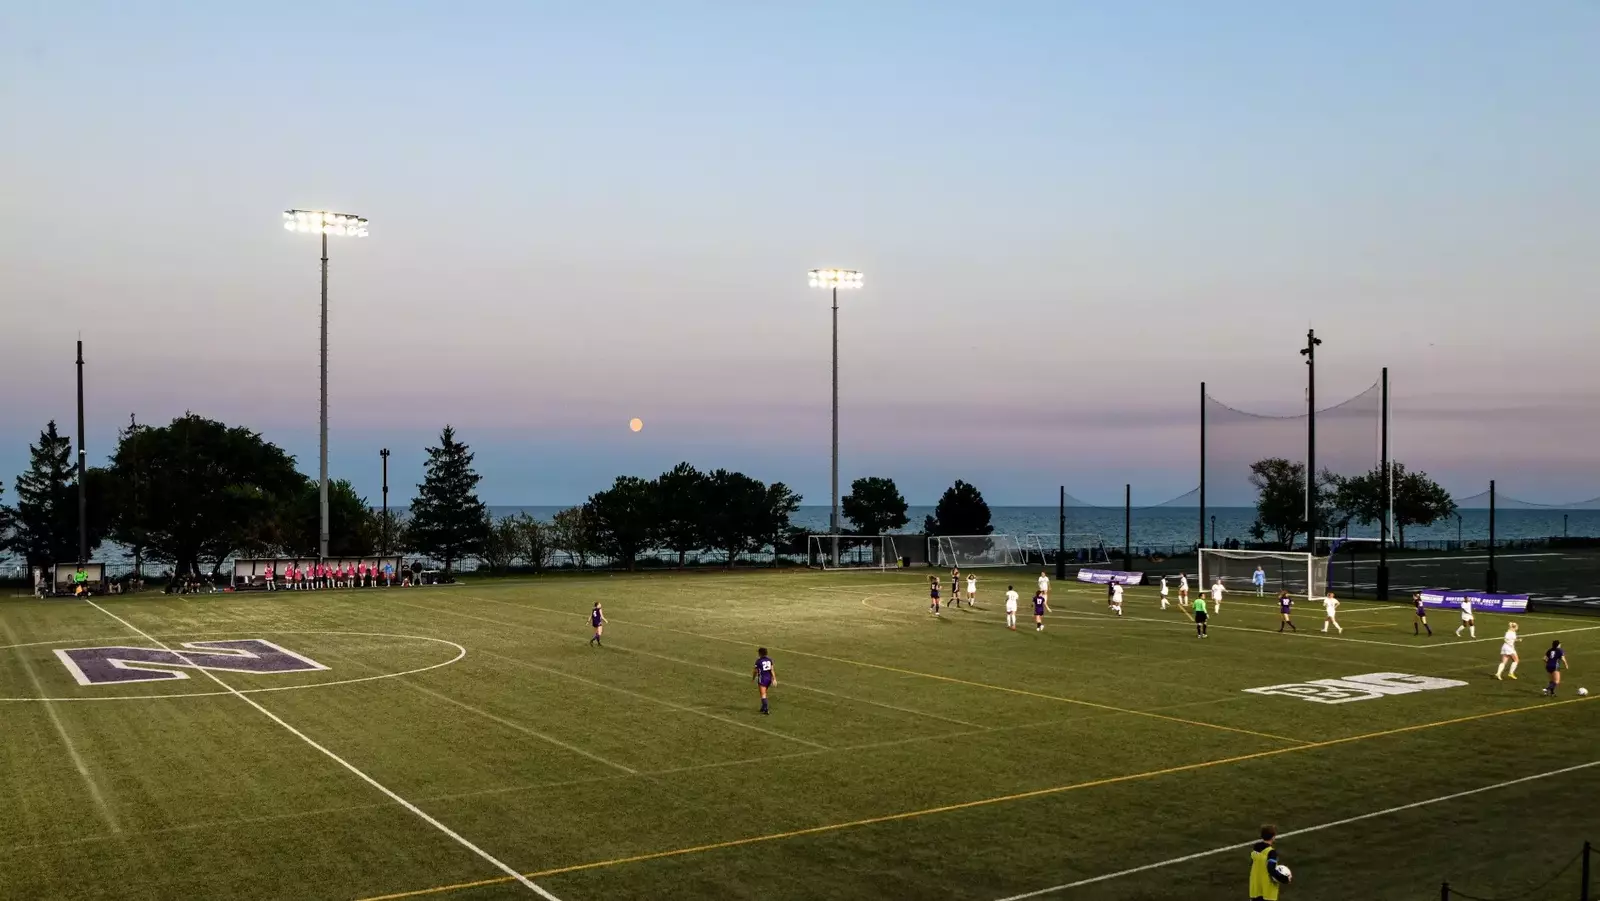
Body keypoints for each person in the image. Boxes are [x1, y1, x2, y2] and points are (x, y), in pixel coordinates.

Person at [1249, 824, 1290, 901]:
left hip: (1255, 890)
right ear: (1273, 837)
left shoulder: (1255, 851)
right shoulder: (1271, 852)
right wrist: (1284, 878)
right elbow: (1271, 869)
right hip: (1267, 892)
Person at [752, 647, 775, 714]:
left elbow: (755, 671)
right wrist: (774, 679)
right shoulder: (769, 660)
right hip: (769, 679)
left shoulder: (758, 661)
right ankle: (763, 708)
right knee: (764, 693)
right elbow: (772, 670)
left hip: (762, 679)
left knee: (763, 694)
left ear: (760, 653)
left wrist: (753, 678)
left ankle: (766, 709)